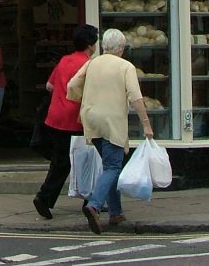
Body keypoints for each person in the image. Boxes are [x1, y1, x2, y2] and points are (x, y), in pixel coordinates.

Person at [67, 27, 154, 234]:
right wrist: (146, 124)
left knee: (110, 165)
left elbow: (72, 85)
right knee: (114, 167)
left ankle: (115, 212)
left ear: (104, 46)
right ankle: (95, 205)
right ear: (121, 48)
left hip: (92, 118)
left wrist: (83, 101)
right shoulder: (126, 67)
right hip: (111, 121)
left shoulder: (92, 63)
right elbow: (136, 97)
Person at [33, 23, 98, 220]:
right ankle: (91, 202)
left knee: (61, 162)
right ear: (90, 44)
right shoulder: (89, 65)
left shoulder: (64, 60)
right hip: (76, 120)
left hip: (55, 118)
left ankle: (44, 198)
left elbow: (49, 86)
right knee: (88, 161)